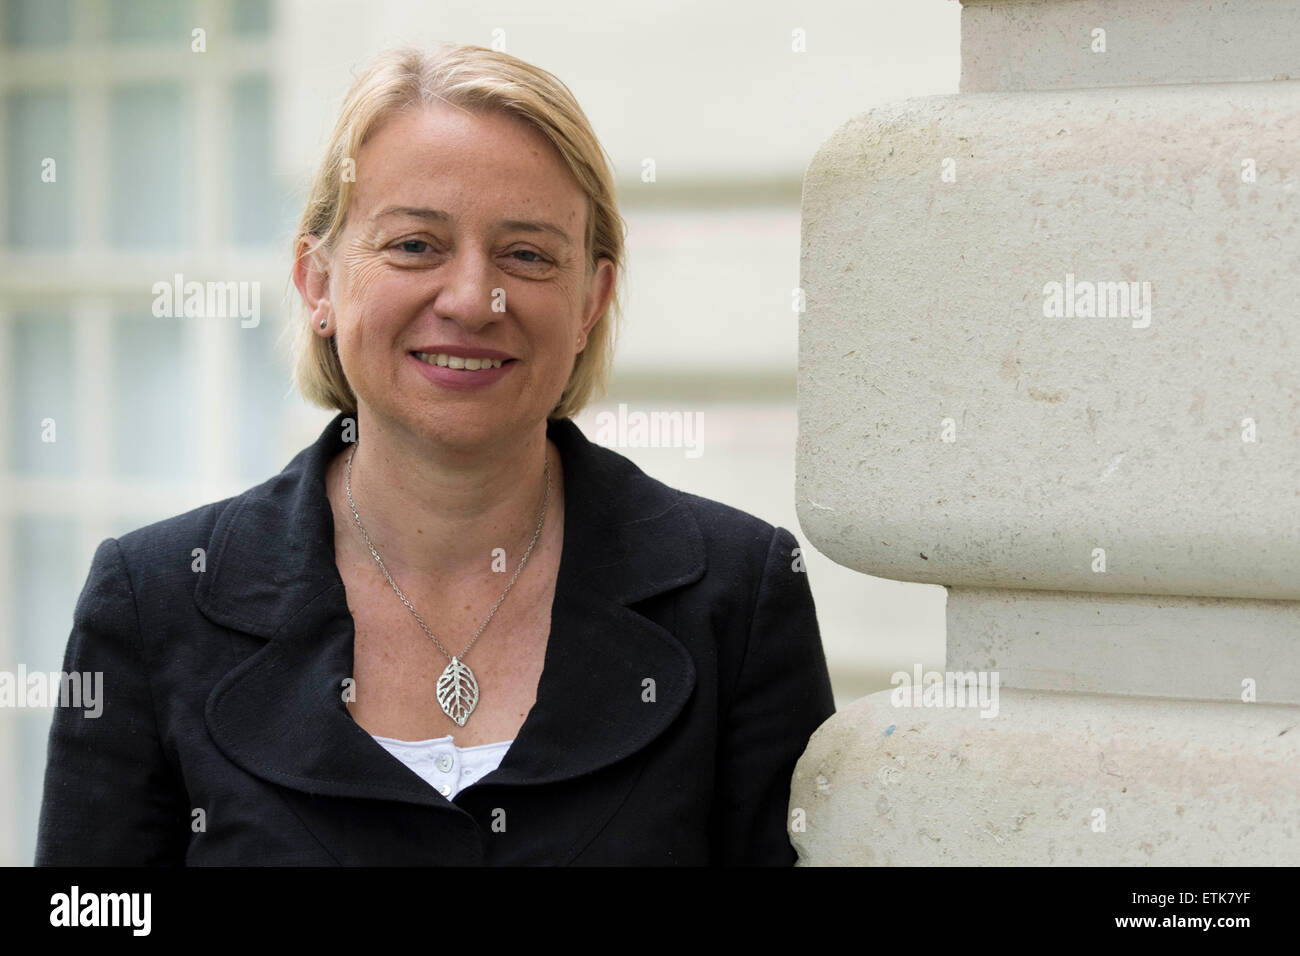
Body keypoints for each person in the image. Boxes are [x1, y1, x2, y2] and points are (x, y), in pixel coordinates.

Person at [34, 43, 835, 865]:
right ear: (318, 284)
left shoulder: (738, 595)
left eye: (526, 255)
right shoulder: (154, 602)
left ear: (591, 299)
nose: (471, 300)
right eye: (415, 244)